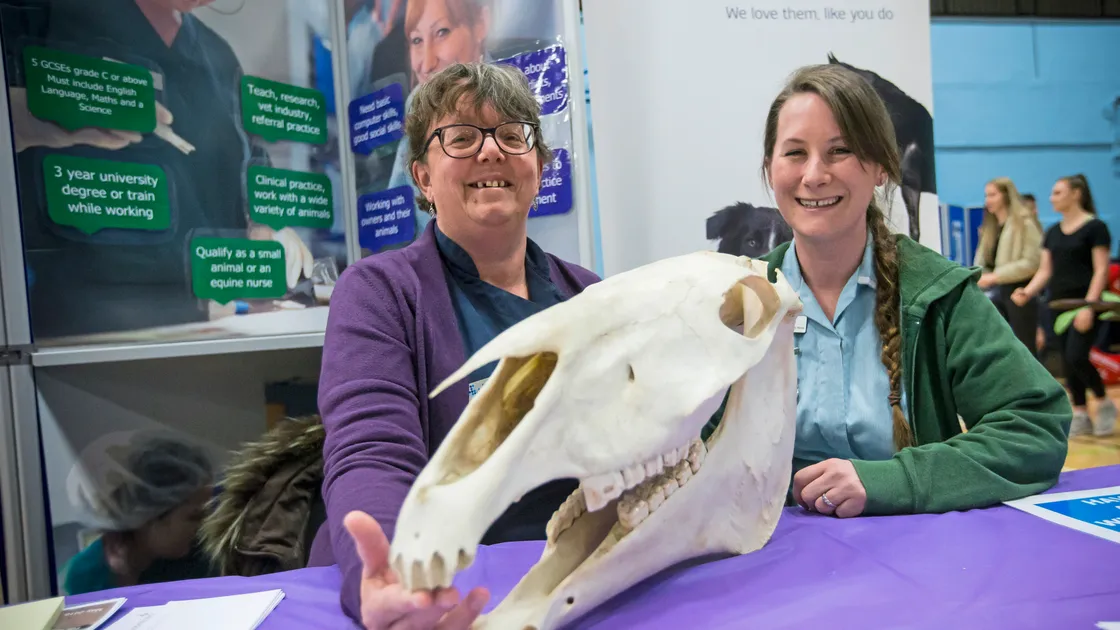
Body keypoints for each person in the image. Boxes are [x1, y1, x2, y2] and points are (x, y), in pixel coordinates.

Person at [704, 62, 1070, 520]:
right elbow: (697, 442)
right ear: (769, 168)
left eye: (839, 151)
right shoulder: (741, 299)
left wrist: (891, 481)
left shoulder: (935, 295)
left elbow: (1036, 426)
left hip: (916, 560)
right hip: (768, 559)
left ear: (879, 167)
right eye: (795, 153)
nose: (814, 175)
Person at [308, 61, 599, 629]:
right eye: (461, 138)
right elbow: (372, 452)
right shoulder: (379, 292)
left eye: (512, 136)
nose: (490, 153)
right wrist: (396, 574)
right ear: (422, 177)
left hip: (578, 580)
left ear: (538, 168)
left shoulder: (589, 295)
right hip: (449, 588)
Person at [6, 0, 312, 340]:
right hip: (89, 329)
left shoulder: (215, 54)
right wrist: (17, 118)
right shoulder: (53, 17)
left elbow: (246, 161)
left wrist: (265, 224)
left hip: (212, 322)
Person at [1013, 174, 1117, 437]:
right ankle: (1081, 411)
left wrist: (1088, 306)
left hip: (1084, 304)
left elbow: (1101, 270)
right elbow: (1045, 271)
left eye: (1058, 192)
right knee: (1067, 363)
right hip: (1057, 307)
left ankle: (1104, 402)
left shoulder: (1095, 228)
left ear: (1076, 194)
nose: (1051, 198)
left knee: (1077, 355)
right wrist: (1027, 291)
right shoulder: (1053, 232)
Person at [61, 430, 214, 595]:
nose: (205, 525)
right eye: (195, 516)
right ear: (149, 517)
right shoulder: (82, 579)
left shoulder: (200, 562)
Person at [973, 177, 1043, 353]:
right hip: (995, 293)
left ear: (1006, 195)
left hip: (1020, 291)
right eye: (986, 195)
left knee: (1026, 348)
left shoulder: (1024, 223)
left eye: (992, 195)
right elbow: (983, 262)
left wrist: (995, 276)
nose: (987, 200)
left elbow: (1033, 262)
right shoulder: (989, 227)